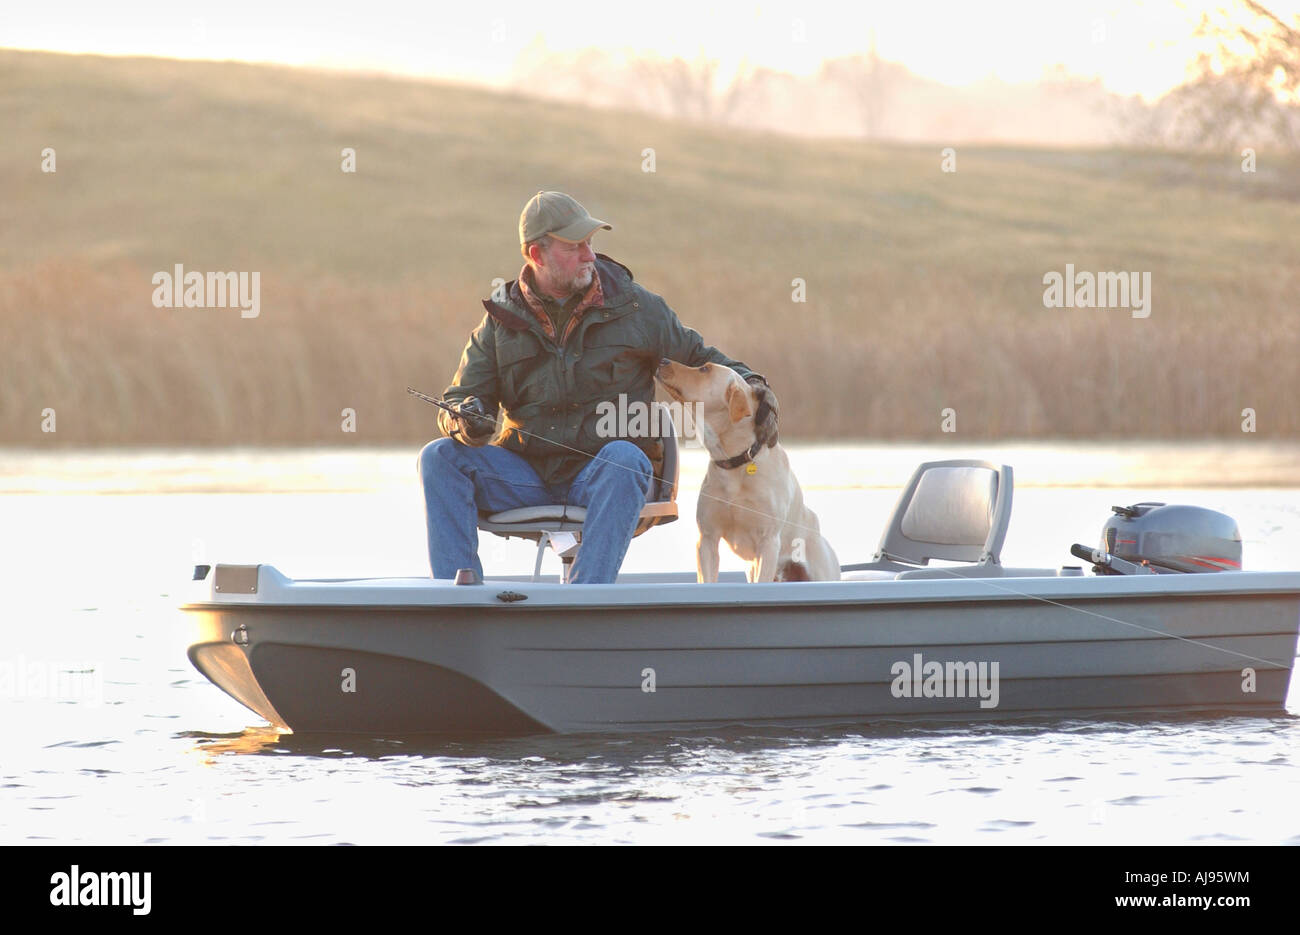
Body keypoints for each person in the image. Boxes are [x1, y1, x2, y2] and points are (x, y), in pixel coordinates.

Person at [418, 191, 779, 583]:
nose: (589, 255)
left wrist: (758, 387)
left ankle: (584, 600)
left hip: (609, 478)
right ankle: (456, 602)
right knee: (439, 457)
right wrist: (465, 418)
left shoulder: (638, 309)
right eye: (575, 246)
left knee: (625, 457)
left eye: (590, 243)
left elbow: (702, 356)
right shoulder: (497, 324)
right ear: (537, 255)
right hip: (526, 478)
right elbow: (456, 401)